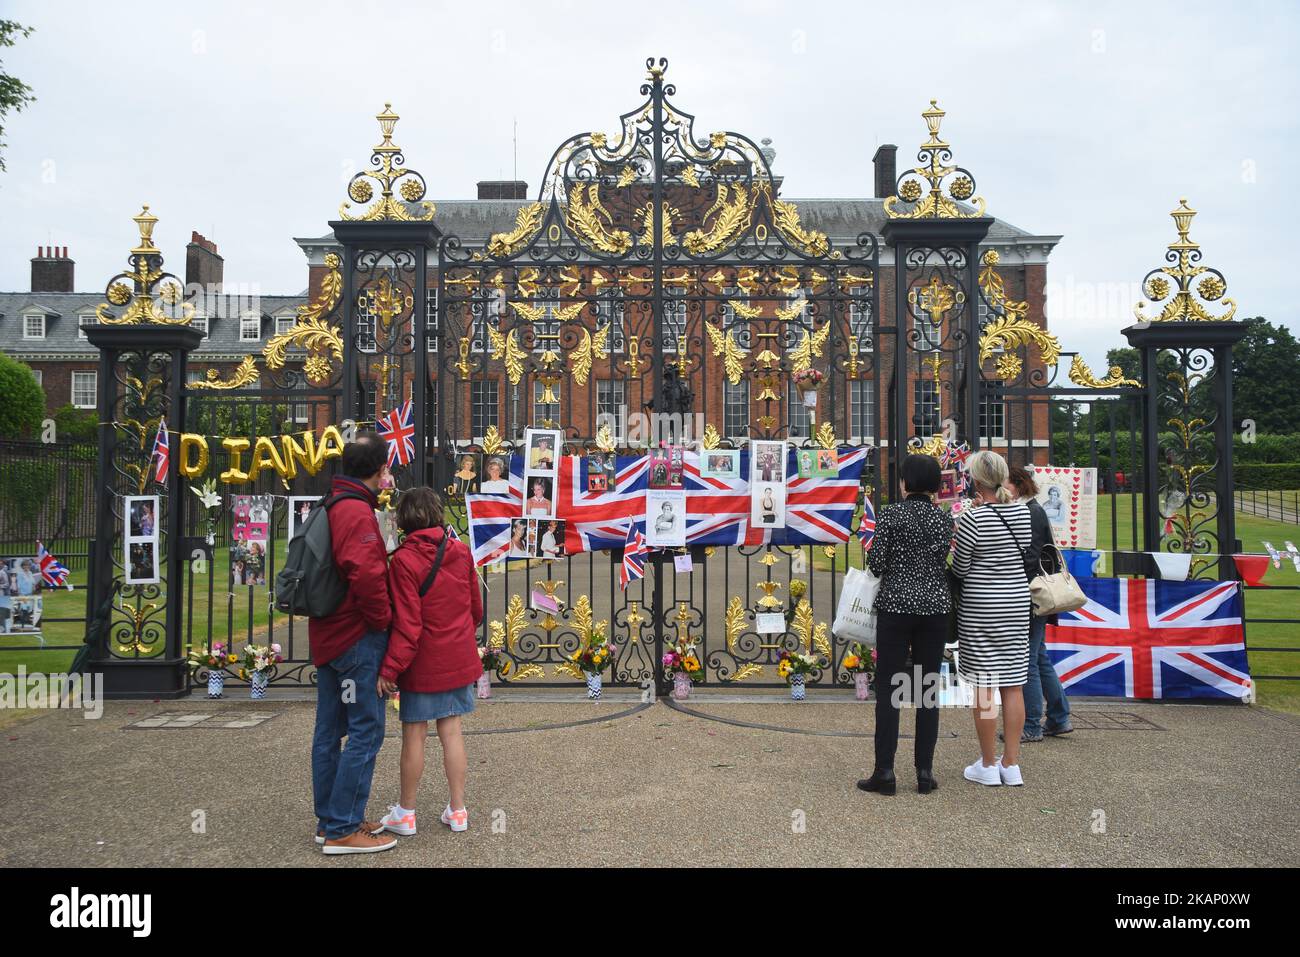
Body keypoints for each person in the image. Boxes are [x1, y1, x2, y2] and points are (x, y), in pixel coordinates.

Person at [374, 488, 484, 837]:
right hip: (456, 656)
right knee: (451, 732)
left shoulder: (403, 561)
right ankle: (458, 809)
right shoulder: (461, 551)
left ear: (405, 520)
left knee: (414, 737)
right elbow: (475, 610)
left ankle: (406, 812)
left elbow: (408, 625)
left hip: (423, 661)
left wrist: (390, 669)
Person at [310, 434, 397, 855]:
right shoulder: (357, 513)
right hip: (355, 637)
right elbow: (366, 576)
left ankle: (330, 818)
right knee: (366, 729)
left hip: (328, 633)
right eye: (387, 467)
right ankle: (343, 828)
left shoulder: (331, 501)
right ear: (380, 469)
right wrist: (382, 623)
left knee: (329, 730)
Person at [857, 454, 954, 797]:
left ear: (906, 483)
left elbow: (878, 562)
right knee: (927, 688)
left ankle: (885, 770)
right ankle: (924, 771)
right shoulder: (944, 520)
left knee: (890, 689)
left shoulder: (891, 515)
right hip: (934, 607)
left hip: (896, 606)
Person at [952, 451, 1032, 787]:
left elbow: (961, 567)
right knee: (1013, 683)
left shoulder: (973, 518)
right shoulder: (1022, 514)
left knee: (985, 685)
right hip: (1015, 603)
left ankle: (987, 762)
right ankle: (1011, 763)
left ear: (975, 480)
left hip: (982, 605)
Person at [1006, 465, 1073, 742]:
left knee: (1028, 661)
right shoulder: (1031, 510)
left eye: (1006, 484)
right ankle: (1059, 717)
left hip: (1031, 593)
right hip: (1036, 593)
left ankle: (1031, 725)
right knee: (1040, 657)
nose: (1003, 489)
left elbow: (1031, 556)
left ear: (1018, 485)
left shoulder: (1030, 511)